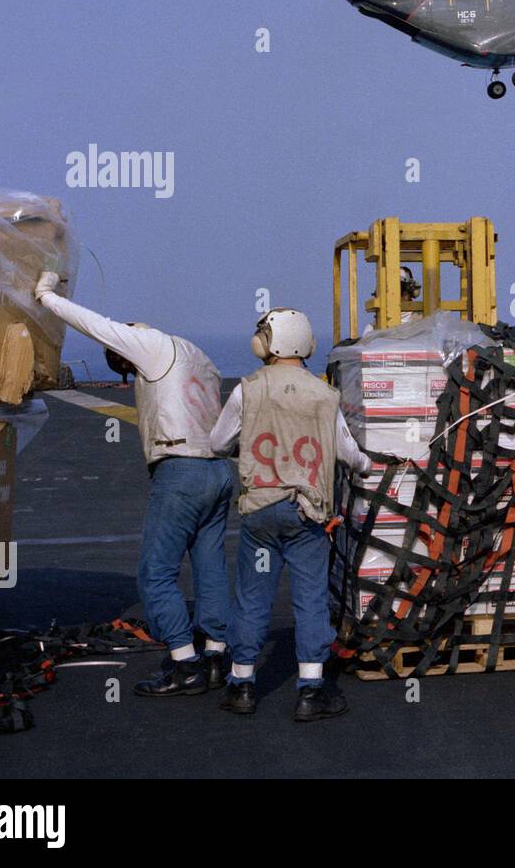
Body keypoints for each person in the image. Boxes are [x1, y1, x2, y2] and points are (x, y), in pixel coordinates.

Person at [33, 272, 233, 696]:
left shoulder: (149, 345)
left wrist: (47, 296)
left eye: (123, 365)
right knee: (210, 566)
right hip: (217, 469)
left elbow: (94, 323)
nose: (128, 373)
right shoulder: (197, 354)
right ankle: (217, 655)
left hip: (181, 472)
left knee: (156, 573)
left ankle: (184, 662)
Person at [209, 308, 371, 721]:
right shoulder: (324, 395)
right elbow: (350, 455)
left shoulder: (248, 389)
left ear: (269, 343)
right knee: (311, 599)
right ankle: (310, 691)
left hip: (260, 511)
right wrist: (371, 465)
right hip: (307, 514)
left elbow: (217, 442)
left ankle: (242, 684)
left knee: (251, 597)